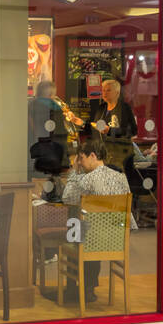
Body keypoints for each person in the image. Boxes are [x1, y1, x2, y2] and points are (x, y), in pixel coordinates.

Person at [59, 129, 131, 304]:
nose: (80, 163)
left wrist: (75, 172)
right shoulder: (121, 177)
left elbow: (67, 198)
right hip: (117, 238)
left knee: (74, 225)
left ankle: (74, 287)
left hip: (93, 241)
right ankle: (89, 287)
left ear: (92, 155)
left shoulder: (87, 179)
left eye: (81, 159)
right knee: (85, 227)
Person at [28, 81, 73, 180]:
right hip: (52, 156)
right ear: (51, 94)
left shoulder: (30, 105)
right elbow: (60, 135)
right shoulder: (55, 107)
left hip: (34, 155)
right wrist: (65, 162)